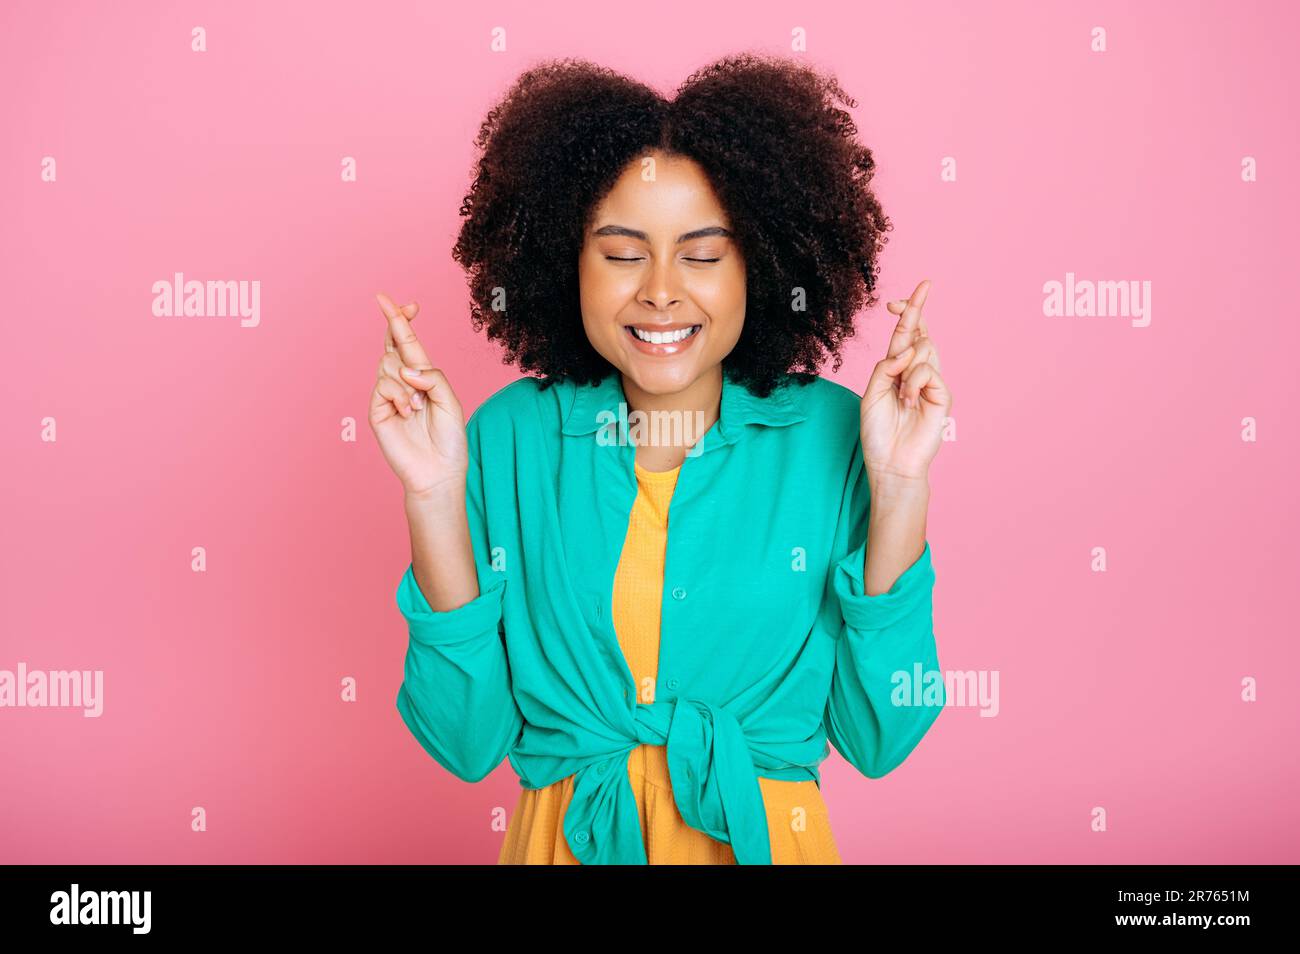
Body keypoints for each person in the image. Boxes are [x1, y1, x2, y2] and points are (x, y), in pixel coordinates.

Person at [370, 53, 952, 865]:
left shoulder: (839, 436)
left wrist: (899, 484)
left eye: (704, 255)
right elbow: (465, 743)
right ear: (566, 261)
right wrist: (432, 493)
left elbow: (879, 736)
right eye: (621, 253)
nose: (662, 290)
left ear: (763, 262)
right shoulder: (509, 439)